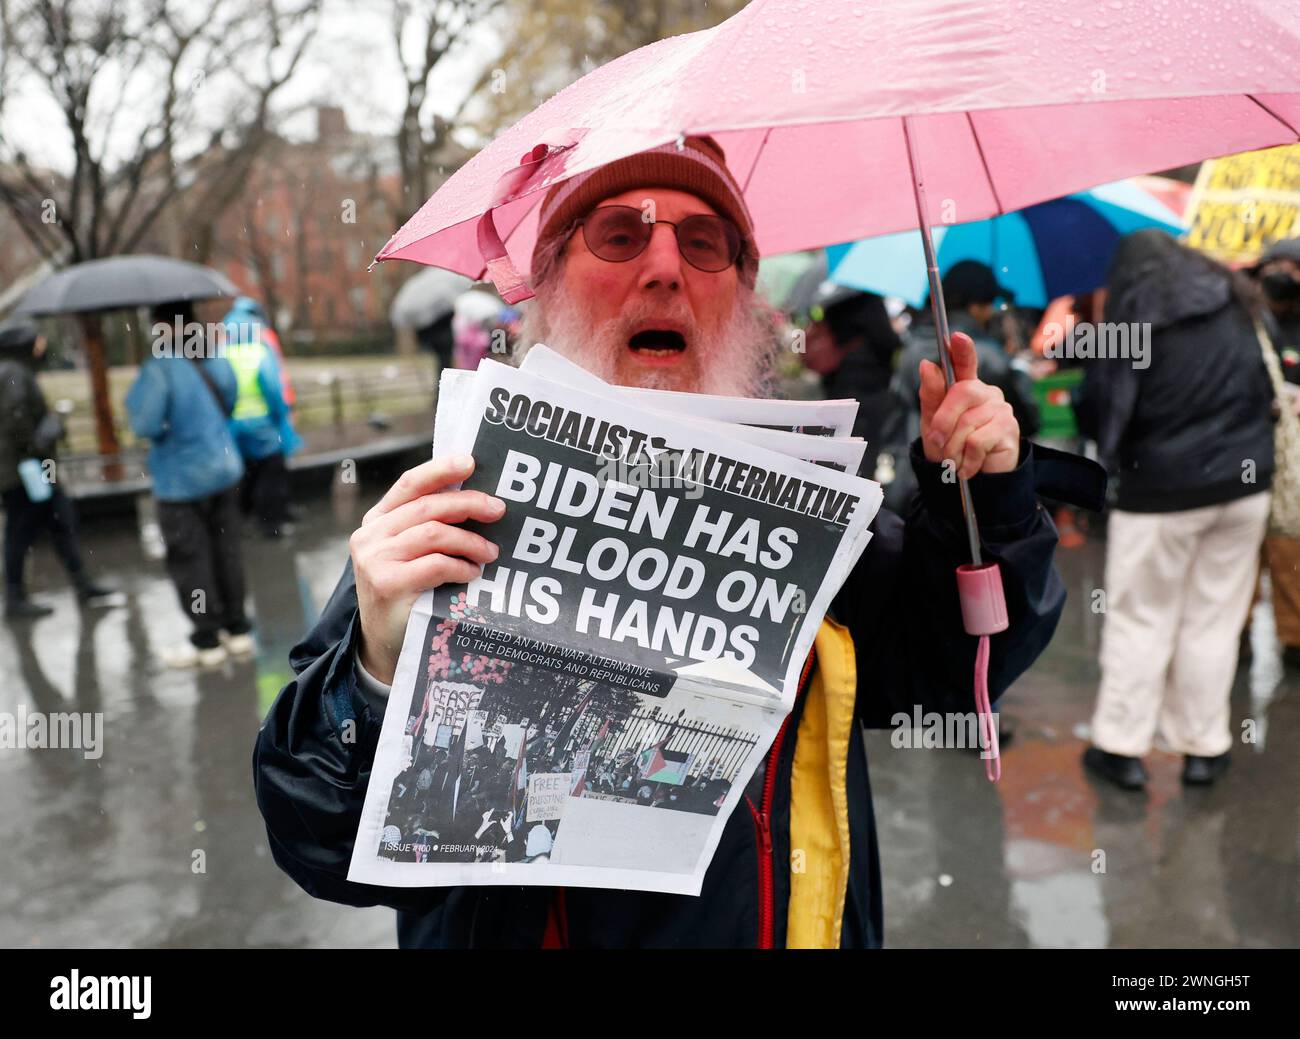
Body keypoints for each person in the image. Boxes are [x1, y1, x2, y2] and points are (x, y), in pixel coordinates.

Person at [254, 135, 1103, 948]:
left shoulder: (808, 510)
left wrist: (982, 495)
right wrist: (373, 668)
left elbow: (949, 674)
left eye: (705, 243)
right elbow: (322, 845)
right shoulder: (453, 502)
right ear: (546, 284)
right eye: (618, 234)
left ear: (742, 297)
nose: (664, 268)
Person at [1075, 229, 1275, 791]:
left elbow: (1098, 412)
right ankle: (1204, 749)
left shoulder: (1132, 317)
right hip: (1243, 489)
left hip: (1159, 494)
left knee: (1142, 617)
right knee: (1212, 621)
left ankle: (1122, 747)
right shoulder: (1235, 301)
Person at [126, 301, 254, 668]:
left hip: (180, 482)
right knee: (227, 551)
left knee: (190, 558)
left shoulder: (159, 368)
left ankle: (206, 639)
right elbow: (228, 402)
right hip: (225, 471)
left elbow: (144, 426)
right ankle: (238, 629)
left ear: (159, 326)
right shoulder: (215, 359)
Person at [891, 260, 1041, 510]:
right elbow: (1024, 421)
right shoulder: (983, 354)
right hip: (971, 486)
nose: (991, 311)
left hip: (910, 479)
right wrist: (1020, 372)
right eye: (988, 304)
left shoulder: (910, 347)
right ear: (975, 306)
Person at [0, 318, 119, 618]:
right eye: (36, 339)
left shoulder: (17, 372)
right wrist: (45, 435)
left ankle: (82, 584)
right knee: (21, 532)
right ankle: (15, 597)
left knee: (60, 522)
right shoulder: (14, 373)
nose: (42, 344)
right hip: (26, 472)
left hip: (36, 469)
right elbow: (15, 420)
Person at [802, 285, 907, 482]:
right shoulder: (870, 301)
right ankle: (858, 493)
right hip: (868, 387)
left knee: (840, 443)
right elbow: (887, 341)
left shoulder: (832, 303)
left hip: (837, 385)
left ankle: (836, 488)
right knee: (864, 448)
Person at [1252, 238, 1300, 661]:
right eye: (1276, 267)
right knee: (1245, 550)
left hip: (1293, 466)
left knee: (1289, 547)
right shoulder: (1247, 319)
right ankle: (1239, 634)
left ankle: (1294, 638)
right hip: (1248, 455)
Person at [222, 298, 297, 538]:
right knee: (270, 473)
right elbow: (274, 390)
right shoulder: (259, 350)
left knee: (245, 473)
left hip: (233, 427)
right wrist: (281, 416)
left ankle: (243, 519)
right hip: (262, 424)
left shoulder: (222, 351)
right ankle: (270, 523)